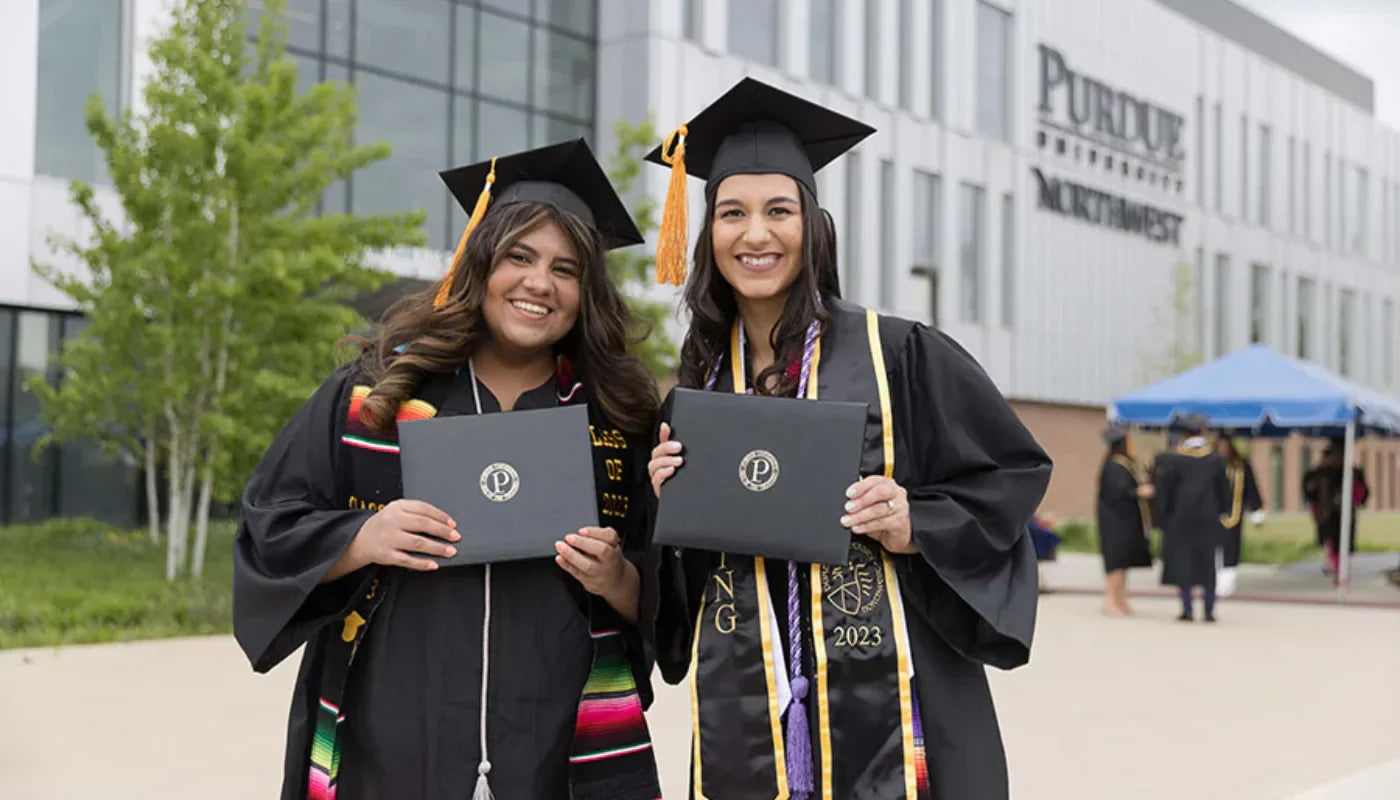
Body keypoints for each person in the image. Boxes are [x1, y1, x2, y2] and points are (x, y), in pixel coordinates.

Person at [644, 78, 1053, 800]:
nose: (756, 234)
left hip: (899, 695)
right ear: (709, 233)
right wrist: (669, 502)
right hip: (751, 705)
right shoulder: (699, 381)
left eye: (779, 210)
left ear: (814, 225)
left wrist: (914, 522)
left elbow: (1011, 473)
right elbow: (691, 578)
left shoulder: (898, 353)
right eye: (732, 213)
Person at [232, 140, 664, 800]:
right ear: (480, 263)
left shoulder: (613, 419)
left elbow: (666, 591)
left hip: (559, 739)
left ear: (586, 292)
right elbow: (270, 524)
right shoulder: (374, 395)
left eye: (565, 268)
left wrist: (618, 577)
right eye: (519, 257)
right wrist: (359, 539)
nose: (538, 283)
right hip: (392, 726)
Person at [1153, 415, 1231, 622]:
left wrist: (1161, 519)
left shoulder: (1175, 460)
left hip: (1180, 520)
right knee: (1207, 565)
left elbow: (1165, 492)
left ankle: (1187, 608)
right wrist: (1224, 512)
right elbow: (1225, 492)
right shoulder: (1215, 460)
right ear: (1203, 431)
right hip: (1208, 520)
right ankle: (1209, 610)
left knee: (1183, 562)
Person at [1095, 425, 1154, 616]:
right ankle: (1111, 600)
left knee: (1124, 560)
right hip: (1115, 521)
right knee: (1116, 560)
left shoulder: (1124, 464)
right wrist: (1138, 491)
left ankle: (1120, 598)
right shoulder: (1115, 466)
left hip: (1126, 520)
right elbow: (1117, 492)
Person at [1303, 439, 1369, 579]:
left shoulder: (1352, 472)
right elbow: (1308, 491)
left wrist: (1356, 497)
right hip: (1326, 512)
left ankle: (1340, 568)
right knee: (1329, 539)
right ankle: (1333, 565)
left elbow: (1363, 493)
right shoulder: (1318, 473)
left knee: (1343, 540)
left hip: (1345, 512)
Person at [1216, 434, 1264, 589]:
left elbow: (1251, 487)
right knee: (1214, 545)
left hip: (1234, 512)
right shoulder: (1211, 464)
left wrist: (1256, 509)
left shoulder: (1241, 466)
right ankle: (1214, 578)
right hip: (1213, 512)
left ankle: (1227, 579)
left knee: (1231, 545)